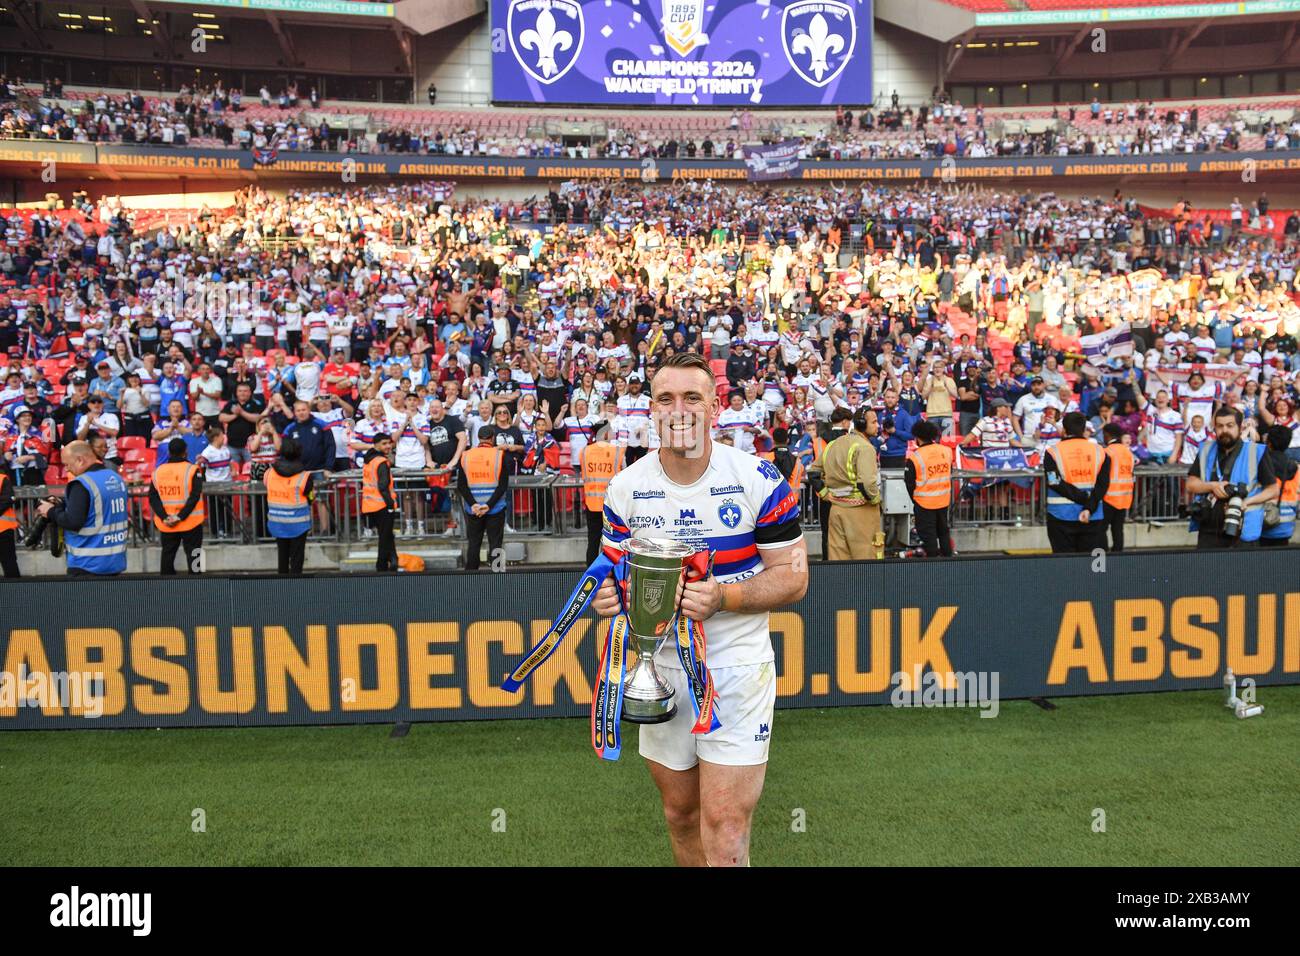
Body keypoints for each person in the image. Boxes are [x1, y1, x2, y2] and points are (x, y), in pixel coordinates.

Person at [590, 351, 807, 867]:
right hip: (658, 670)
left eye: (693, 397)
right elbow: (617, 578)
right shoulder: (624, 489)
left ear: (716, 407)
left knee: (725, 823)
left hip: (735, 670)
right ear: (651, 410)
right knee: (681, 815)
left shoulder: (759, 478)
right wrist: (609, 599)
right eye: (666, 398)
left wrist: (724, 597)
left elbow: (794, 578)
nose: (679, 409)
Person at [1186, 406, 1278, 549]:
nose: (1224, 430)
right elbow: (1191, 484)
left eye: (1230, 426)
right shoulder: (1205, 449)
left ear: (1240, 427)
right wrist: (1212, 486)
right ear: (1214, 428)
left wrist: (1247, 502)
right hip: (1210, 528)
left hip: (1244, 527)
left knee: (1242, 571)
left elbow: (1273, 490)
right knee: (1206, 570)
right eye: (1220, 426)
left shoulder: (1256, 451)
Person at [34, 440, 128, 576]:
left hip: (86, 564)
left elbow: (73, 522)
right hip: (114, 562)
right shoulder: (115, 478)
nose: (66, 469)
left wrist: (50, 511)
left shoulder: (81, 484)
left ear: (80, 460)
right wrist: (65, 503)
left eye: (67, 464)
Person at [810, 406, 882, 560]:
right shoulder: (865, 447)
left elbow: (813, 472)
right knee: (866, 561)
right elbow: (866, 484)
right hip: (861, 512)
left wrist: (825, 495)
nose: (878, 425)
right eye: (874, 422)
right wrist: (876, 500)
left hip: (835, 510)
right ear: (862, 424)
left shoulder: (832, 445)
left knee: (839, 562)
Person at [1043, 412, 1110, 554]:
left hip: (1060, 516)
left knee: (1065, 565)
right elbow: (1103, 485)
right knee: (1093, 566)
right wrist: (1089, 505)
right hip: (1092, 515)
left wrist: (1082, 498)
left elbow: (1054, 482)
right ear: (1084, 428)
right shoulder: (1100, 451)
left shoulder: (1052, 452)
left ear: (1064, 430)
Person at [150, 437, 206, 575]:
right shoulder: (193, 469)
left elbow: (153, 497)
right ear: (185, 452)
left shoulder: (158, 471)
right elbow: (195, 496)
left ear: (169, 453)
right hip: (190, 522)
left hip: (167, 523)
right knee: (195, 555)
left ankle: (167, 587)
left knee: (167, 555)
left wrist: (164, 517)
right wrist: (180, 517)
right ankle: (199, 585)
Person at [458, 425, 509, 571]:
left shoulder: (466, 456)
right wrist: (489, 505)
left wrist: (474, 504)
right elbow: (502, 486)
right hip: (495, 508)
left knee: (474, 543)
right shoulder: (500, 455)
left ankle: (471, 576)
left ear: (478, 438)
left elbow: (461, 485)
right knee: (495, 544)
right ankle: (497, 574)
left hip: (473, 509)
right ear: (493, 438)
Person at [266, 437, 315, 574]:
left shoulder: (269, 473)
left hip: (277, 522)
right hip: (298, 524)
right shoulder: (305, 476)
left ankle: (282, 587)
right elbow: (310, 497)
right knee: (296, 559)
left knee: (282, 558)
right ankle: (295, 588)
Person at [904, 419, 953, 557]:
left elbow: (909, 483)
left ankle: (932, 563)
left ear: (918, 437)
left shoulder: (915, 457)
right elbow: (949, 472)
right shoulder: (946, 451)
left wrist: (915, 500)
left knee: (928, 534)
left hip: (924, 503)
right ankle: (949, 560)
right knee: (943, 532)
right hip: (943, 500)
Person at [579, 427, 623, 566]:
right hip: (611, 505)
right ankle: (610, 576)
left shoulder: (585, 451)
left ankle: (590, 577)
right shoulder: (617, 451)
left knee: (593, 542)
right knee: (612, 543)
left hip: (591, 504)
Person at [361, 432, 399, 572]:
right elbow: (383, 486)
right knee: (385, 538)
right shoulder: (381, 462)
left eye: (389, 443)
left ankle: (393, 561)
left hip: (370, 505)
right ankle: (382, 566)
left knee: (387, 535)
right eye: (384, 444)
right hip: (382, 505)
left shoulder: (369, 460)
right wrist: (390, 505)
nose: (388, 446)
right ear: (376, 445)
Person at [1260, 424, 1298, 547]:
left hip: (1264, 524)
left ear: (1269, 443)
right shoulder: (1295, 468)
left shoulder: (1261, 464)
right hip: (1286, 528)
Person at [1100, 423, 1135, 552]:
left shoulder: (1107, 452)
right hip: (1124, 497)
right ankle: (1118, 556)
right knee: (1118, 529)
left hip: (1108, 497)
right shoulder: (1128, 452)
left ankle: (1102, 558)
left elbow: (1102, 476)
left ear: (1107, 435)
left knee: (1101, 530)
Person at [0, 467, 18, 577]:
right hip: (4, 529)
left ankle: (15, 592)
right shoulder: (2, 479)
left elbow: (8, 499)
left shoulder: (2, 479)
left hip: (4, 530)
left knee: (9, 563)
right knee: (9, 562)